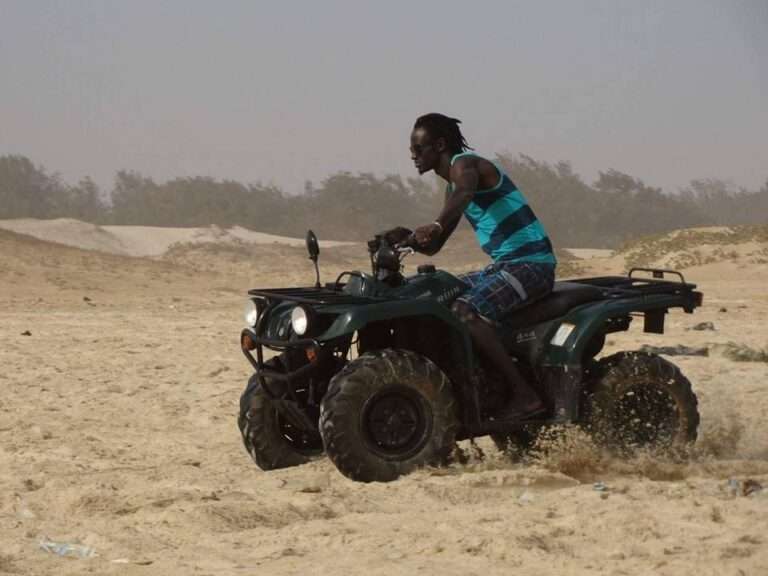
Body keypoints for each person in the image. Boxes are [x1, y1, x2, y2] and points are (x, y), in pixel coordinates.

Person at [407, 112, 556, 422]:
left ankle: (525, 396)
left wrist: (435, 224)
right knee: (439, 293)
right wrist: (408, 238)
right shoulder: (452, 189)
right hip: (505, 264)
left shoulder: (466, 166)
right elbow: (435, 245)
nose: (413, 155)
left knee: (466, 311)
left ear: (440, 144)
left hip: (531, 264)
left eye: (419, 148)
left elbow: (466, 192)